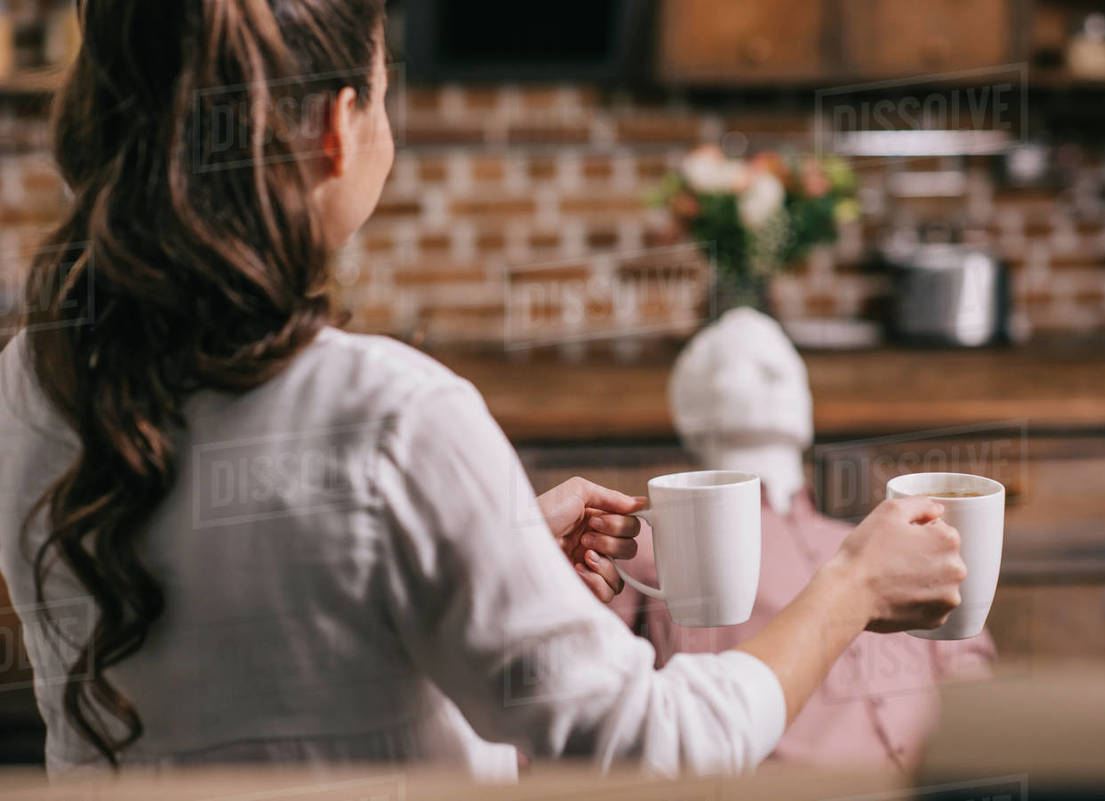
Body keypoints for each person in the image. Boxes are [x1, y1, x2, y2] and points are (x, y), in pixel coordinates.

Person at [0, 0, 966, 780]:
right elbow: (656, 747)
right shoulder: (399, 417)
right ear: (339, 129)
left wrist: (486, 542)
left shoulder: (26, 385)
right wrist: (850, 585)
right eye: (383, 94)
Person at [612, 309, 996, 772]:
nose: (778, 374)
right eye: (748, 363)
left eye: (790, 366)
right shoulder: (642, 547)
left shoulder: (880, 539)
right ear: (690, 407)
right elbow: (587, 701)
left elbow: (969, 666)